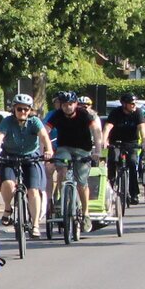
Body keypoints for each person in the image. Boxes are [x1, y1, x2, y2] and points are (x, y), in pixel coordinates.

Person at [0, 92, 53, 235]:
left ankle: (35, 225)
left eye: (26, 109)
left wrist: (49, 150)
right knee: (7, 183)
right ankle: (8, 208)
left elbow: (44, 136)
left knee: (33, 190)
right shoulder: (7, 122)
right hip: (9, 156)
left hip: (30, 157)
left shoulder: (34, 121)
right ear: (14, 109)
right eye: (19, 109)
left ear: (30, 110)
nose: (23, 112)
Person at [45, 91, 104, 227]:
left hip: (83, 149)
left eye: (71, 104)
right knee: (62, 170)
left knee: (82, 183)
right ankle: (62, 198)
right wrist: (46, 150)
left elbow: (95, 130)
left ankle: (86, 213)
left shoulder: (84, 114)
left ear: (76, 104)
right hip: (64, 147)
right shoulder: (57, 115)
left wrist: (97, 151)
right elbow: (45, 131)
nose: (68, 107)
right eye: (65, 105)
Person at [104, 91, 145, 203]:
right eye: (131, 103)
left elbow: (142, 129)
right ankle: (110, 188)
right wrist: (104, 140)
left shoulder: (138, 112)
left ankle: (134, 193)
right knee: (113, 160)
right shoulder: (116, 112)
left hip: (132, 142)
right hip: (116, 141)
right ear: (124, 104)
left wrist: (144, 141)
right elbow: (108, 127)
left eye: (135, 103)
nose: (134, 106)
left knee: (132, 163)